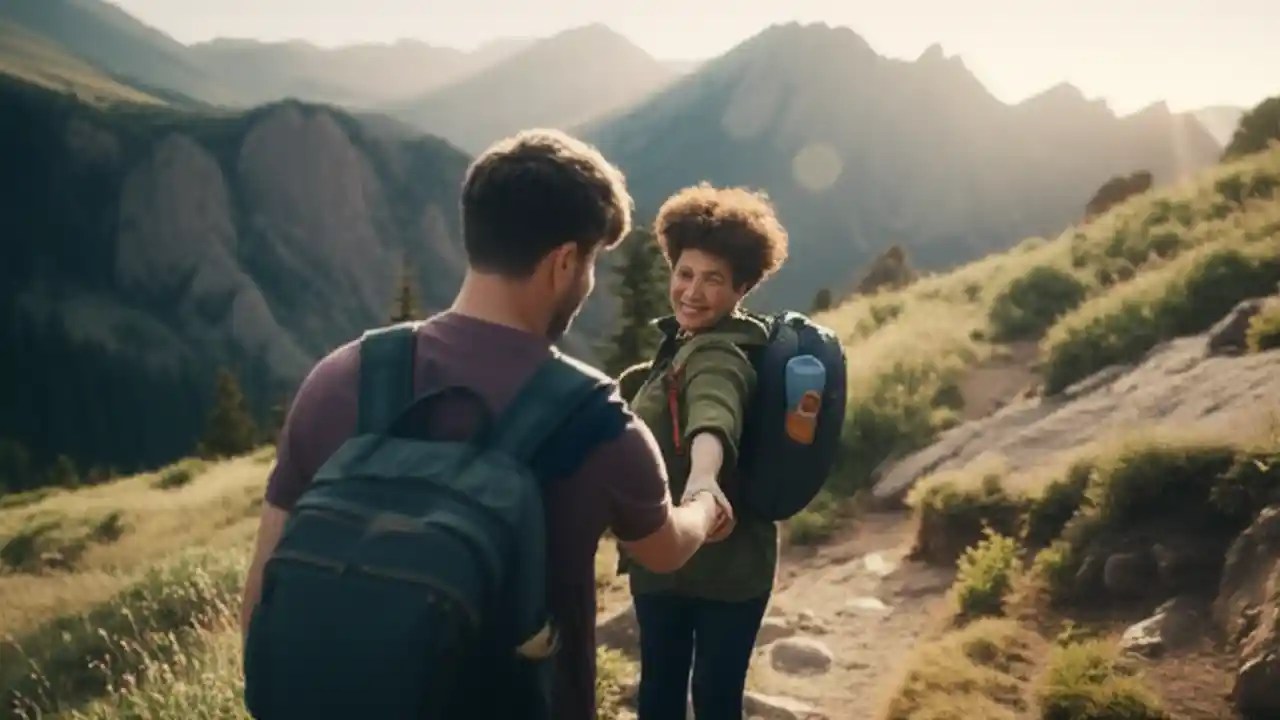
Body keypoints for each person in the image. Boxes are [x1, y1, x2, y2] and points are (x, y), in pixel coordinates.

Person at [238, 129, 734, 720]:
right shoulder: (598, 423)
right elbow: (665, 550)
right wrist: (703, 503)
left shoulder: (342, 377)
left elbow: (264, 592)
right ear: (565, 262)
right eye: (591, 264)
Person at [617, 182, 790, 720]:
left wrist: (703, 478)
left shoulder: (719, 353)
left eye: (713, 279)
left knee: (678, 699)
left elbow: (713, 416)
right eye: (685, 273)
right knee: (699, 699)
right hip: (702, 562)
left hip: (704, 560)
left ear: (742, 288)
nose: (692, 291)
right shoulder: (690, 343)